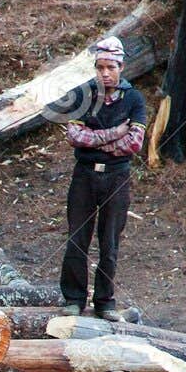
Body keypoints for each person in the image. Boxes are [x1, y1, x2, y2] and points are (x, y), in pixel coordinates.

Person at [60, 35, 147, 321]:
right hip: (84, 176)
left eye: (111, 67)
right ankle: (73, 298)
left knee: (109, 242)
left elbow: (134, 143)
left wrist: (95, 140)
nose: (105, 73)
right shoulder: (83, 95)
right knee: (77, 238)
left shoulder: (134, 99)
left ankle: (105, 302)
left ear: (121, 66)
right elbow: (74, 136)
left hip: (116, 178)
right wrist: (113, 134)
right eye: (100, 67)